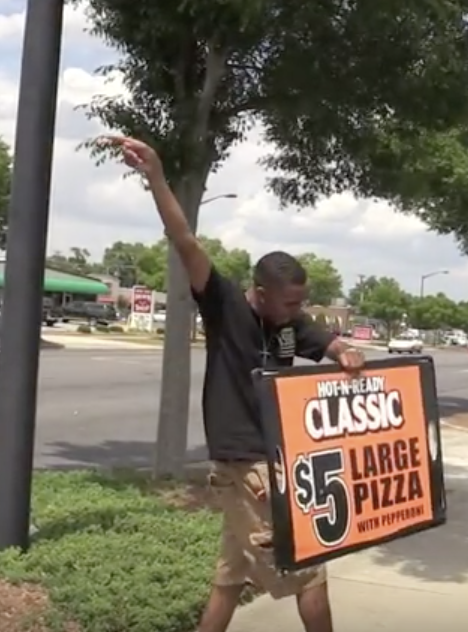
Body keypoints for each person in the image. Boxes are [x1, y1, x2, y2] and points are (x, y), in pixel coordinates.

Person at [102, 135, 365, 632]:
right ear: (260, 293)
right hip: (248, 464)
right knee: (309, 573)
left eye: (299, 303)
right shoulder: (224, 305)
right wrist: (157, 176)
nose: (296, 311)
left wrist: (345, 353)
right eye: (288, 302)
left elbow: (327, 342)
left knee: (230, 577)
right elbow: (185, 241)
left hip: (271, 459)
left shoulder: (289, 323)